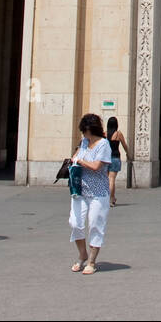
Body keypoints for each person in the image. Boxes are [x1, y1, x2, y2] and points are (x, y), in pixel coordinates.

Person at [69, 113, 112, 274]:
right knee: (75, 223)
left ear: (91, 129)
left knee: (95, 225)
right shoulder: (84, 142)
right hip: (80, 191)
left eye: (84, 131)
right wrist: (73, 159)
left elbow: (96, 166)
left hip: (98, 193)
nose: (83, 134)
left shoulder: (104, 144)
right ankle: (82, 254)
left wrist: (80, 161)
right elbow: (75, 156)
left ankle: (92, 261)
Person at [106, 116, 130, 205]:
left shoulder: (105, 134)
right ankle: (110, 200)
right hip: (115, 157)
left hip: (106, 158)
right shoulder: (118, 134)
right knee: (112, 179)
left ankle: (112, 197)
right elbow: (124, 145)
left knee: (108, 180)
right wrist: (128, 154)